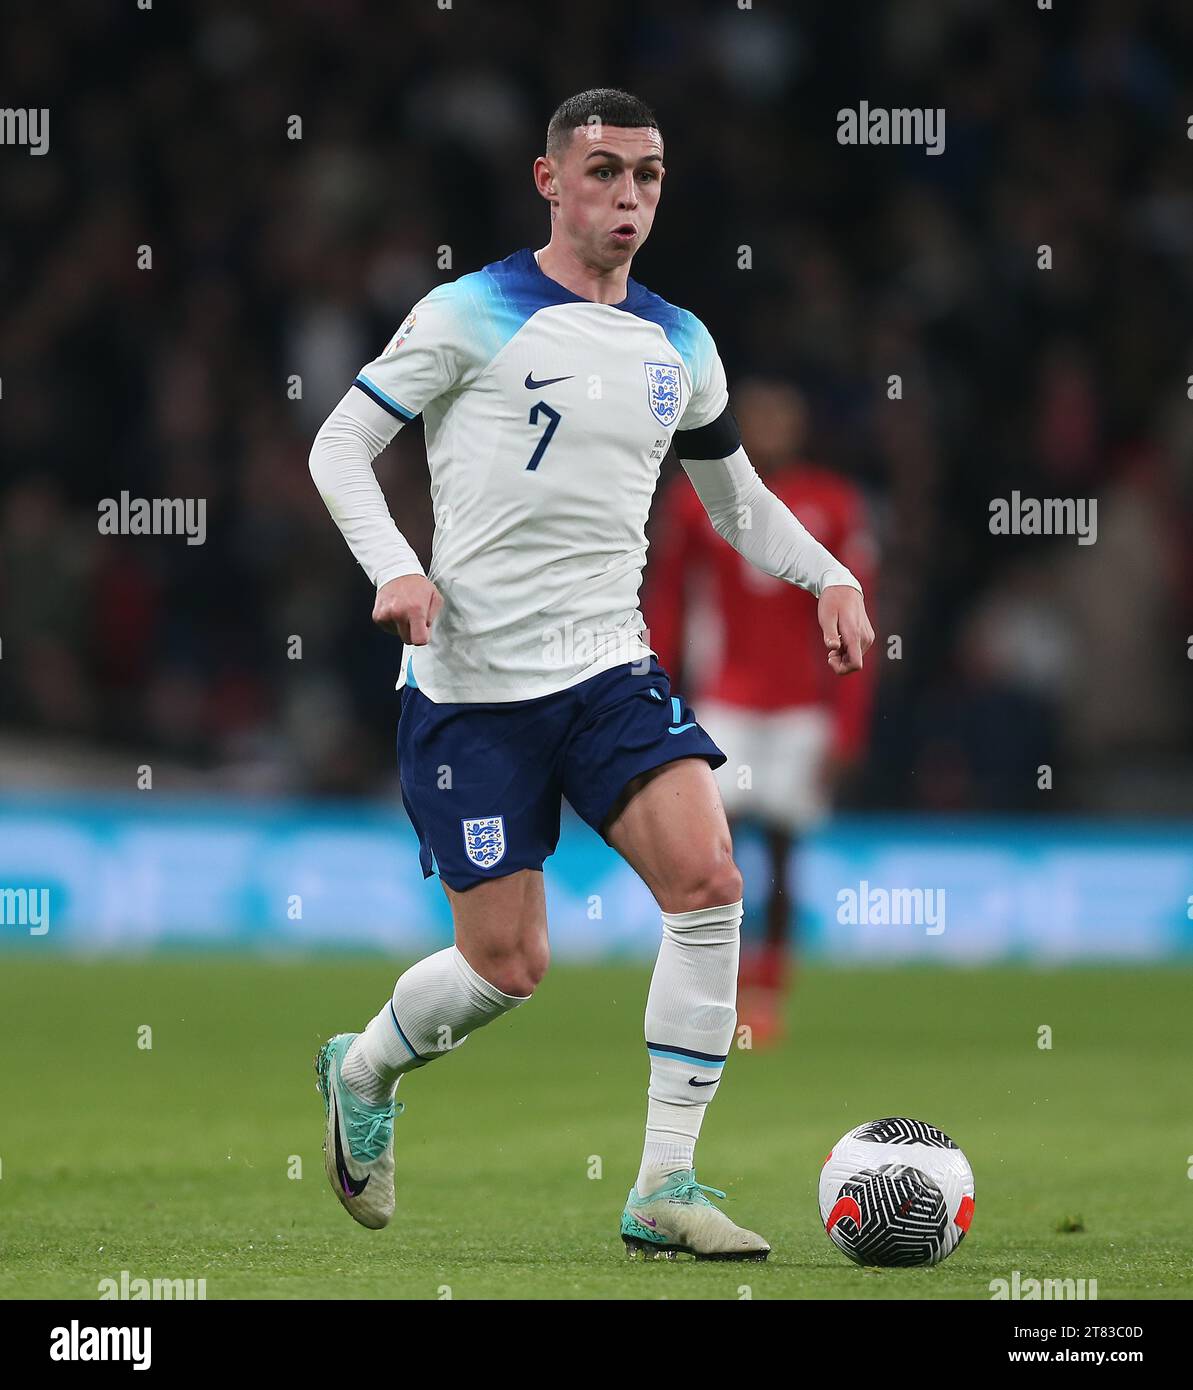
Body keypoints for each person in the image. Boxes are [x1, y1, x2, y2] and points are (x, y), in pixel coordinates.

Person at [308, 88, 874, 1260]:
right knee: (507, 966)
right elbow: (340, 445)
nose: (627, 197)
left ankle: (664, 1184)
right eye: (605, 172)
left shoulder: (681, 342)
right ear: (549, 181)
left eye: (649, 176)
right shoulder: (469, 313)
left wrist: (824, 573)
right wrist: (397, 570)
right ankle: (362, 1068)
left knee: (710, 880)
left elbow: (734, 504)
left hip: (607, 669)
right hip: (468, 689)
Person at [646, 379, 877, 1045]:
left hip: (801, 709)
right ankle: (712, 987)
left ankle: (767, 991)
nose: (772, 428)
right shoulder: (693, 501)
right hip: (726, 700)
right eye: (761, 417)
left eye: (784, 416)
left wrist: (848, 719)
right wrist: (655, 685)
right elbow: (669, 600)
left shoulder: (832, 503)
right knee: (711, 848)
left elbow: (862, 607)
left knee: (781, 848)